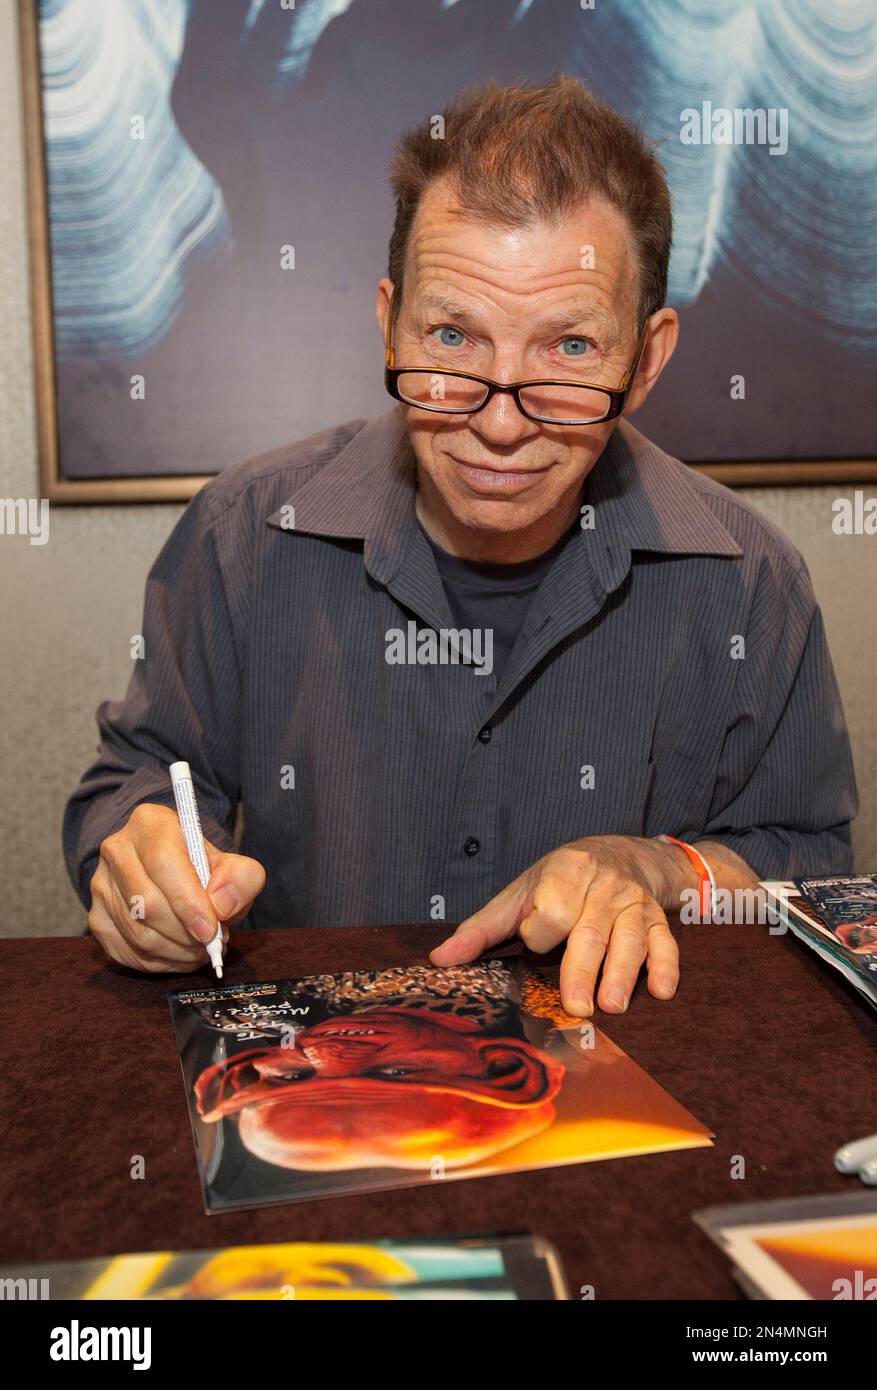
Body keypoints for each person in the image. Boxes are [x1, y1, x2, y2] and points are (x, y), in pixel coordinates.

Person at [63, 76, 857, 1016]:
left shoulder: (750, 582)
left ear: (645, 360)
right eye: (451, 337)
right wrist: (144, 853)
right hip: (321, 1092)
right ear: (387, 319)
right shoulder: (243, 533)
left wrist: (657, 866)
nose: (501, 421)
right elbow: (140, 775)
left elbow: (806, 870)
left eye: (568, 349)